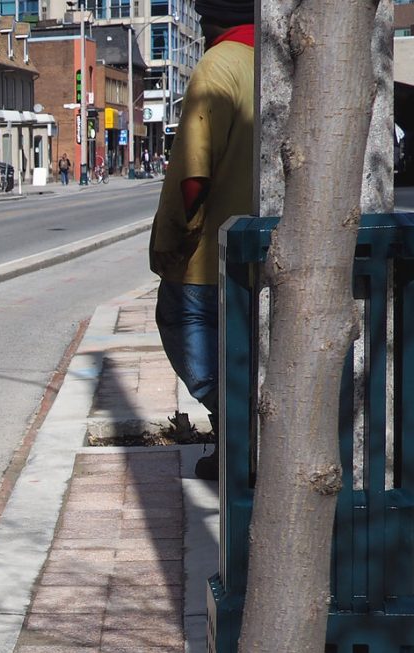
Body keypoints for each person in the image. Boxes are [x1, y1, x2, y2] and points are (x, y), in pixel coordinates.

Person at [150, 0, 254, 481]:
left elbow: (192, 176)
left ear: (208, 18)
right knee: (245, 347)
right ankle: (240, 433)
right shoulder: (275, 66)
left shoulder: (218, 65)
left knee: (180, 319)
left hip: (211, 255)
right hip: (261, 248)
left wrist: (170, 239)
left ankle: (239, 428)